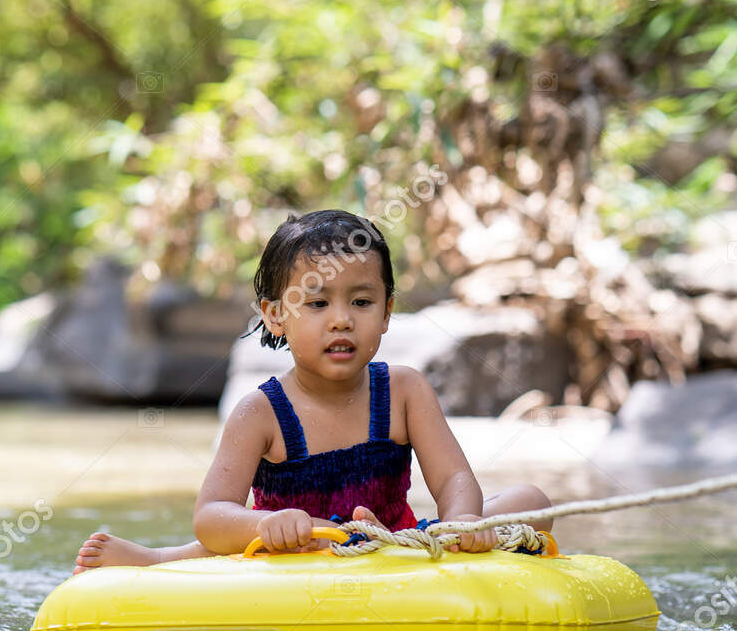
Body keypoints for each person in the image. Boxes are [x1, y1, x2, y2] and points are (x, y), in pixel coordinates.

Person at [73, 208, 553, 572]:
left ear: (387, 313)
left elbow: (452, 480)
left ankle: (467, 535)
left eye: (361, 302)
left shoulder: (404, 390)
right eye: (318, 303)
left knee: (532, 500)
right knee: (216, 545)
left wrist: (462, 525)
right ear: (275, 314)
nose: (341, 319)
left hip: (390, 539)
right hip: (291, 549)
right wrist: (267, 525)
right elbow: (212, 514)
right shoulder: (260, 412)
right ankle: (160, 560)